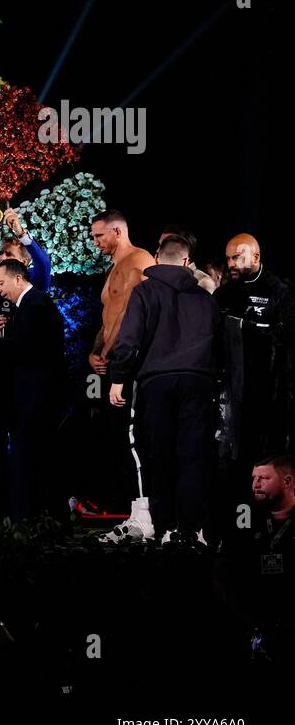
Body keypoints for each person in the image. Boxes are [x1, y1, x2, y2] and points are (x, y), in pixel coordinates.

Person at [108, 235, 221, 545]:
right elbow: (218, 344)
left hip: (156, 382)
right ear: (187, 262)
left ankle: (164, 527)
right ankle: (191, 529)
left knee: (159, 455)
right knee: (193, 455)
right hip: (198, 382)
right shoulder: (206, 299)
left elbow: (129, 339)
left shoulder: (144, 292)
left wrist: (118, 378)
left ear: (157, 258)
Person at [0, 259, 66, 521]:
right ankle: (39, 519)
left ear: (18, 279)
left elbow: (25, 349)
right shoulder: (27, 306)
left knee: (35, 459)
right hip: (30, 397)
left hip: (36, 399)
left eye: (1, 283)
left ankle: (37, 521)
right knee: (35, 459)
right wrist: (3, 333)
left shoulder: (36, 305)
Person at [87, 210, 156, 520]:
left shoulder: (140, 261)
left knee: (133, 440)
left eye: (99, 235)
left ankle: (144, 515)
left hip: (132, 363)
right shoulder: (113, 268)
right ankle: (127, 512)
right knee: (115, 441)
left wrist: (124, 359)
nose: (95, 242)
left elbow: (142, 315)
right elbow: (110, 316)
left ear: (117, 231)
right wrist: (96, 350)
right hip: (112, 362)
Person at [216, 233, 293, 482]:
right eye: (228, 258)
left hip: (270, 391)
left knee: (266, 456)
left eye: (237, 257)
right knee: (232, 459)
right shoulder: (225, 294)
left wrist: (251, 330)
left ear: (256, 256)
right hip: (231, 392)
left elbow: (288, 335)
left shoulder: (279, 291)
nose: (231, 264)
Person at [214, 456, 295, 661]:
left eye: (264, 478)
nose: (255, 484)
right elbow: (226, 570)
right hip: (251, 618)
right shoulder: (245, 514)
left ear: (287, 482)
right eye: (254, 478)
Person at [157, 226, 216, 293]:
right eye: (160, 245)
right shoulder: (157, 277)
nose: (158, 250)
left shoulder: (203, 282)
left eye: (166, 245)